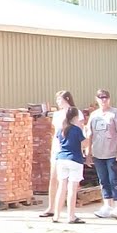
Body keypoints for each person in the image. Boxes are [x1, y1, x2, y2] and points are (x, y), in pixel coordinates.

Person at [87, 89, 117, 220]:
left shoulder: (116, 113)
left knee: (114, 179)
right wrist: (88, 153)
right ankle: (107, 205)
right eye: (101, 97)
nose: (103, 100)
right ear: (97, 99)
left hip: (112, 152)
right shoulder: (94, 115)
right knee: (103, 180)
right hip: (98, 152)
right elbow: (89, 134)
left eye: (106, 97)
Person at [39, 89, 77, 217]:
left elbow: (79, 129)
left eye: (59, 99)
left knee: (66, 180)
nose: (57, 102)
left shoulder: (74, 112)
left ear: (66, 99)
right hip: (57, 148)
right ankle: (51, 207)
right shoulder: (57, 115)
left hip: (70, 149)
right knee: (53, 177)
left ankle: (65, 209)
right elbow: (55, 133)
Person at [51, 106, 87, 224]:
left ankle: (56, 215)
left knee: (61, 187)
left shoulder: (61, 129)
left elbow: (58, 143)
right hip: (74, 159)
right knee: (72, 189)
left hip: (61, 159)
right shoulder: (77, 130)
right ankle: (71, 216)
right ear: (76, 117)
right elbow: (84, 144)